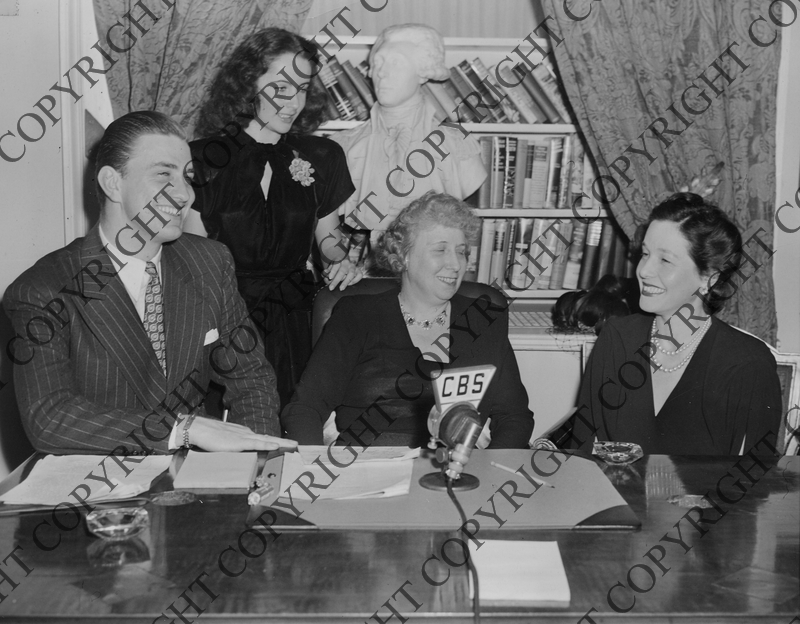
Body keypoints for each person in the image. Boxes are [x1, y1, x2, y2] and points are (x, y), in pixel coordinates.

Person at [4, 111, 296, 455]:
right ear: (113, 183)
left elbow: (252, 380)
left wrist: (254, 465)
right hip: (95, 492)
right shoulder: (43, 290)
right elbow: (49, 419)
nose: (185, 194)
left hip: (194, 486)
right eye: (163, 175)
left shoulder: (210, 262)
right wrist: (182, 429)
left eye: (187, 177)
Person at [183, 28, 362, 408]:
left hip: (294, 318)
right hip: (222, 316)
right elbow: (192, 266)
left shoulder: (323, 156)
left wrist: (342, 261)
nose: (293, 102)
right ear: (248, 85)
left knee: (291, 434)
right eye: (281, 87)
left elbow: (328, 241)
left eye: (302, 88)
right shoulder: (199, 160)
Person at [281, 192, 533, 448]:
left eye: (462, 252)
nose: (456, 264)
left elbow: (514, 418)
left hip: (452, 474)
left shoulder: (483, 319)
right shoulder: (357, 315)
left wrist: (489, 474)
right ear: (404, 256)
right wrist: (311, 472)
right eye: (440, 250)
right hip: (367, 472)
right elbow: (305, 409)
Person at [561, 192, 781, 455]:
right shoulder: (616, 339)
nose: (643, 271)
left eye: (664, 260)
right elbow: (583, 449)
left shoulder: (747, 363)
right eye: (645, 254)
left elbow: (755, 476)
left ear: (709, 278)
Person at [332, 24, 487, 246]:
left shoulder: (457, 144)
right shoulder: (344, 146)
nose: (381, 73)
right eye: (377, 63)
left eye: (395, 62)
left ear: (423, 72)